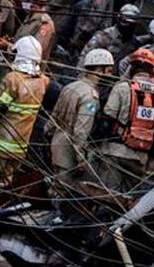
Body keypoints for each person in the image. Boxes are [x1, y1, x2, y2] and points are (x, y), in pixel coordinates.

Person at [0, 36, 49, 186]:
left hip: (0, 142)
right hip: (21, 145)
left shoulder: (13, 79)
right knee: (6, 179)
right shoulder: (42, 82)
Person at [95, 48, 154, 194]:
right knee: (131, 202)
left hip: (114, 152)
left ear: (132, 67)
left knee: (109, 198)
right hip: (140, 158)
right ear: (152, 70)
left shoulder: (121, 88)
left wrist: (94, 144)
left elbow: (106, 122)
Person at [48, 48, 112, 188]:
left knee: (56, 188)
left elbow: (52, 119)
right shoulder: (90, 97)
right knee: (64, 194)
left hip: (56, 147)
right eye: (108, 70)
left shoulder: (70, 86)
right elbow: (80, 132)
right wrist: (82, 160)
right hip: (69, 157)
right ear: (99, 70)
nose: (110, 75)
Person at [77, 3, 139, 67]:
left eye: (131, 24)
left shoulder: (133, 43)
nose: (127, 26)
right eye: (125, 22)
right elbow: (85, 55)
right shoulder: (104, 36)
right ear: (118, 20)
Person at [13, 0, 55, 64]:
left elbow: (34, 52)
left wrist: (9, 46)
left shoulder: (44, 24)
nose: (23, 3)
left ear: (34, 4)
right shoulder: (30, 16)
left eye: (26, 1)